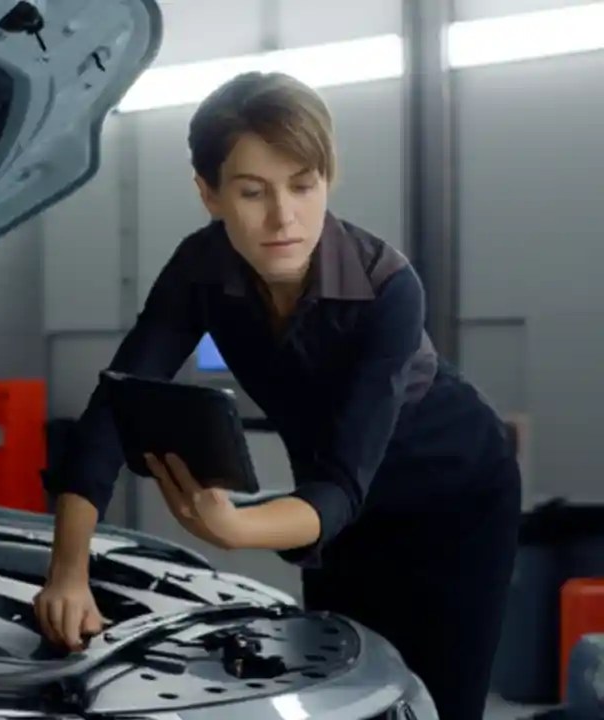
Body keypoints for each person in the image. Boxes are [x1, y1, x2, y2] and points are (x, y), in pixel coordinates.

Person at [35, 70, 521, 720]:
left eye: (303, 185)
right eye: (252, 191)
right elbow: (112, 408)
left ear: (327, 179)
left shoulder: (388, 288)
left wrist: (238, 528)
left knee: (437, 706)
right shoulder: (199, 269)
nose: (284, 218)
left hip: (455, 502)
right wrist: (69, 571)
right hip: (333, 513)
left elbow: (343, 485)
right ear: (208, 193)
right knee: (339, 696)